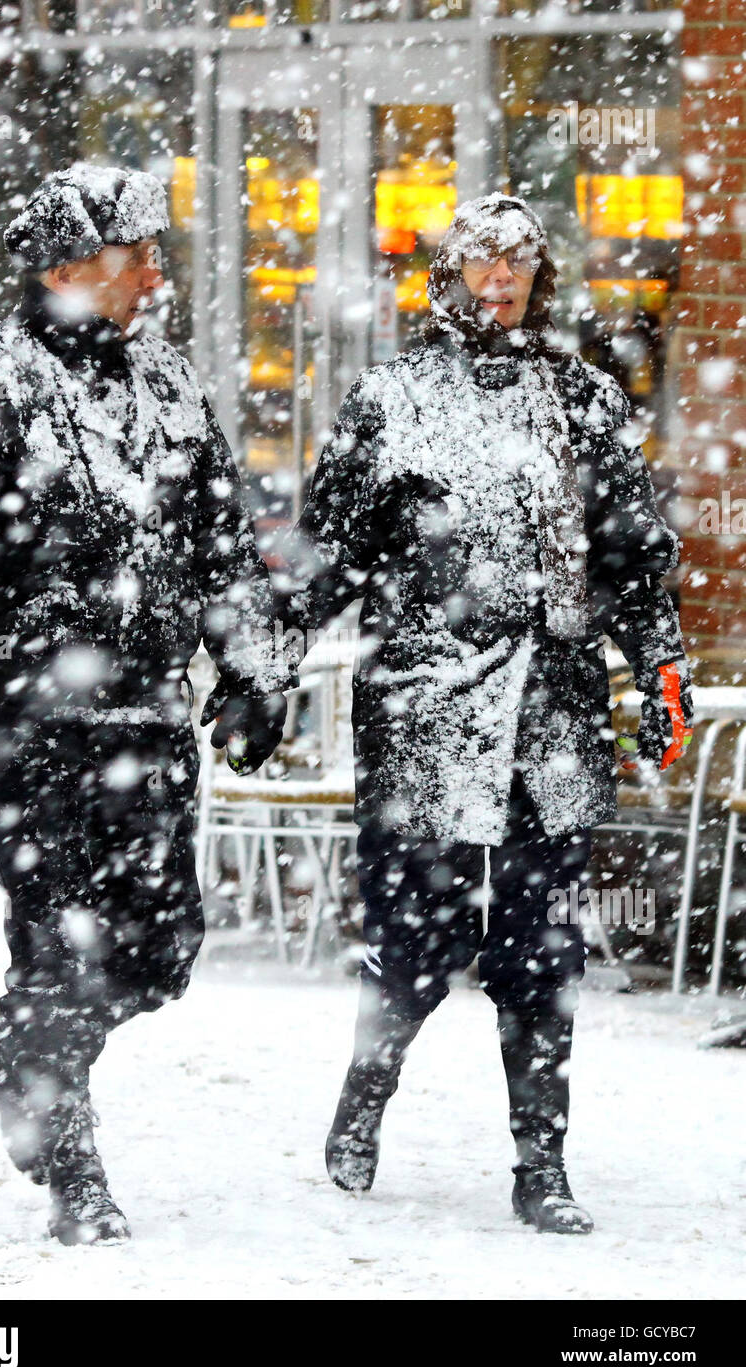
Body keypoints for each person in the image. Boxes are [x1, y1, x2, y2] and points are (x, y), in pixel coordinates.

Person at [277, 193, 693, 1234]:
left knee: (542, 952)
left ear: (539, 278)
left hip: (550, 713)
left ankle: (539, 1161)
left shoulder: (583, 401)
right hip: (424, 713)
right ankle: (365, 1099)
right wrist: (264, 665)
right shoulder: (393, 398)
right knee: (414, 944)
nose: (499, 283)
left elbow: (635, 557)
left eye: (516, 265)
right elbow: (328, 554)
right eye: (481, 266)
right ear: (447, 276)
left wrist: (660, 664)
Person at [0, 163, 290, 1245]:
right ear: (70, 265)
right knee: (59, 947)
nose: (156, 271)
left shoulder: (170, 382)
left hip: (150, 717)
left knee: (160, 950)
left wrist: (252, 668)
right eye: (137, 253)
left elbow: (223, 543)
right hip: (29, 729)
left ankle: (22, 1055)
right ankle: (76, 1173)